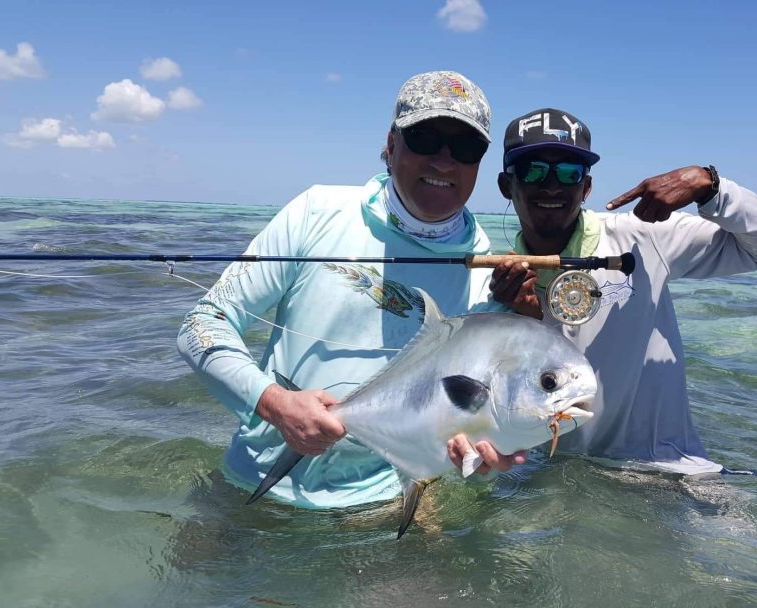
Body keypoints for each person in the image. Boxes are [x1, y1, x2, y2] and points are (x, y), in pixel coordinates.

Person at [177, 71, 520, 510]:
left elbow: (457, 424)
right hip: (253, 480)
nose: (444, 161)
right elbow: (201, 323)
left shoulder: (486, 267)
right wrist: (274, 402)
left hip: (383, 504)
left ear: (479, 163)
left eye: (466, 148)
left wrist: (479, 459)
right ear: (392, 144)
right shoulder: (317, 211)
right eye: (425, 137)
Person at [486, 108, 757, 475]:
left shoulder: (645, 236)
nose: (552, 185)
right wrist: (525, 323)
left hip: (673, 472)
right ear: (507, 185)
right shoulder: (496, 286)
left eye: (570, 173)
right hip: (559, 483)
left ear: (586, 187)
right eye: (533, 170)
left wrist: (711, 186)